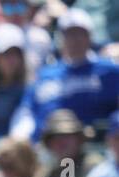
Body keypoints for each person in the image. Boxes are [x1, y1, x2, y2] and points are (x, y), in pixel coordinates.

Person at [10, 8, 119, 141]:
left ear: (90, 36)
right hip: (47, 147)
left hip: (94, 145)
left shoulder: (109, 71)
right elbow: (26, 112)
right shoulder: (46, 75)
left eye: (80, 33)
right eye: (69, 34)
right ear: (61, 38)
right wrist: (19, 138)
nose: (75, 39)